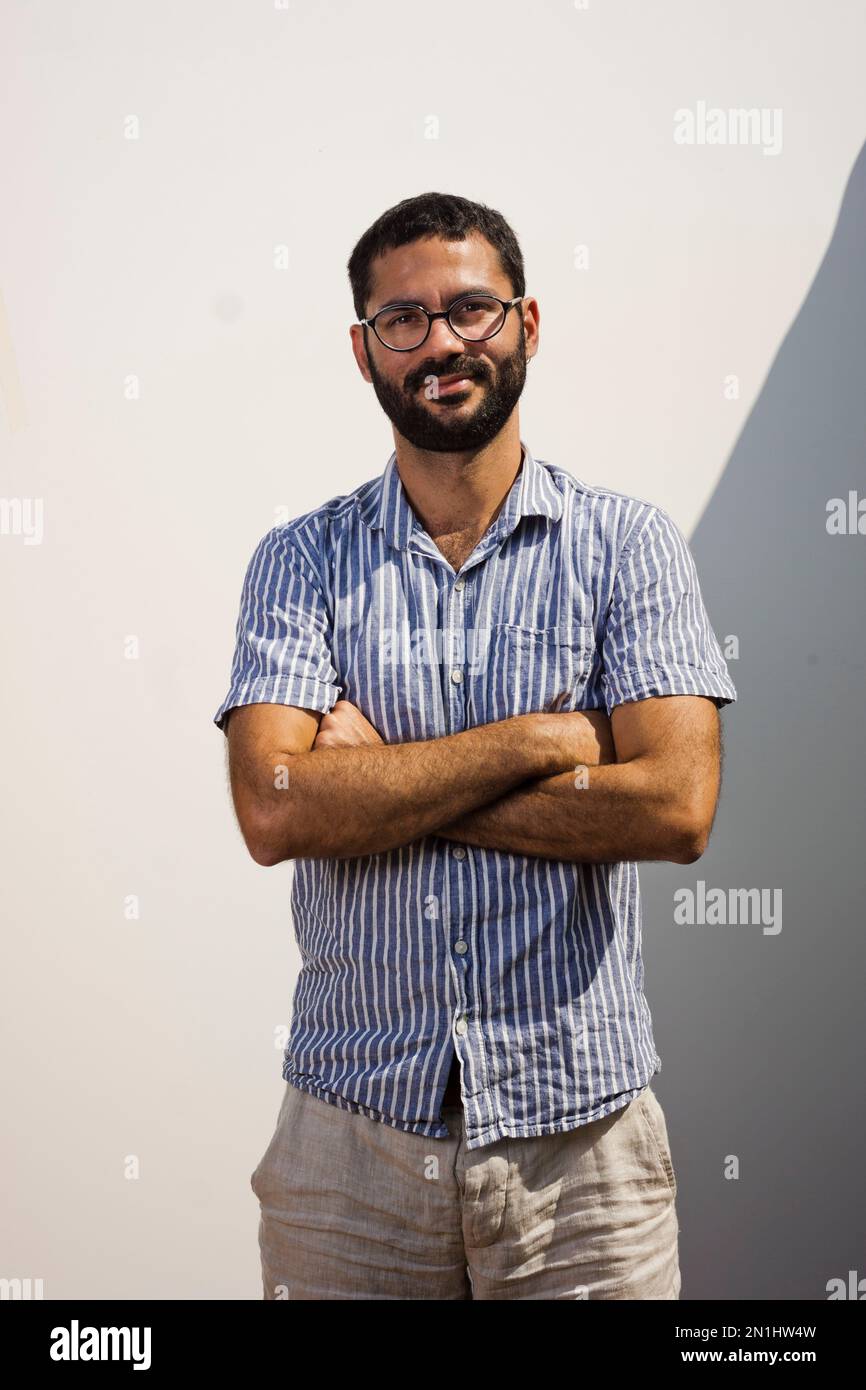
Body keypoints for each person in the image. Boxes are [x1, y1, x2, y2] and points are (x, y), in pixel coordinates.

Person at [213, 191, 737, 1300]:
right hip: (348, 1156)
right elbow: (272, 807)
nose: (441, 342)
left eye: (470, 310)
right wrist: (541, 738)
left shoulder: (626, 547)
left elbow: (675, 808)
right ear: (362, 352)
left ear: (527, 325)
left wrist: (369, 778)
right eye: (401, 320)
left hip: (583, 1160)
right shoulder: (298, 561)